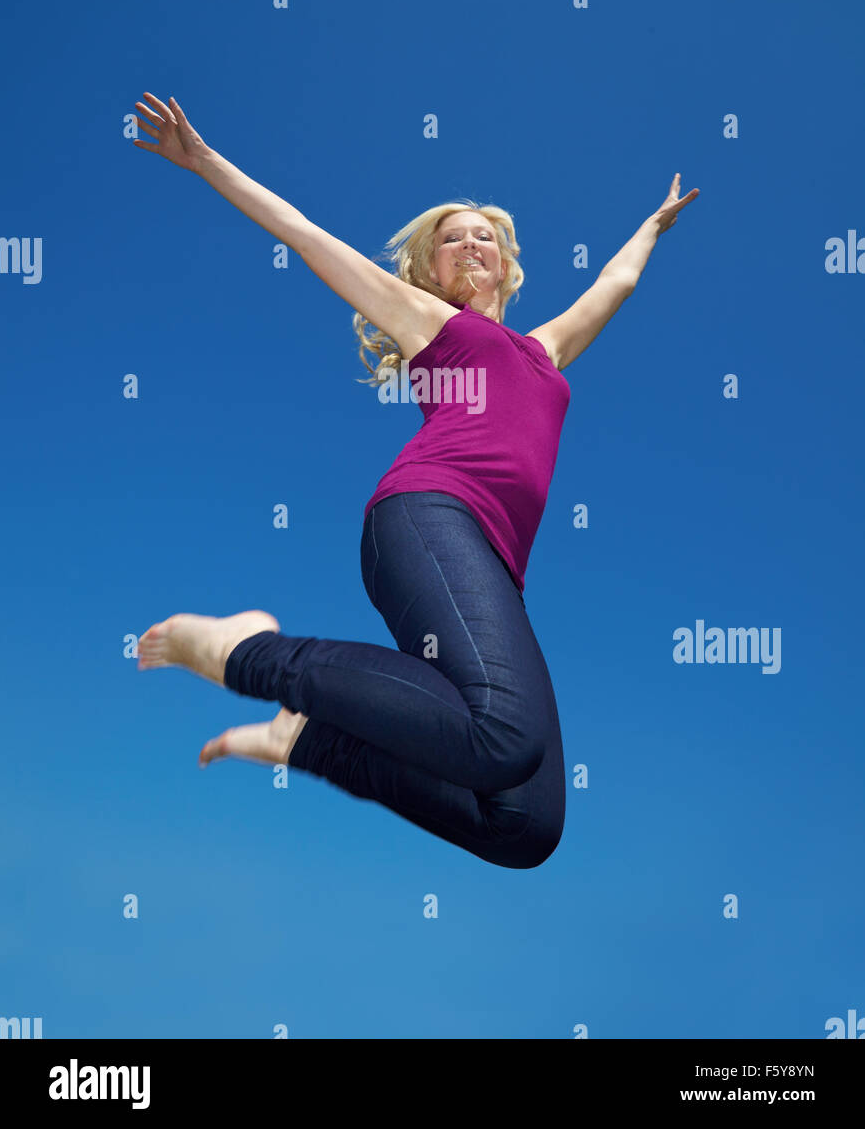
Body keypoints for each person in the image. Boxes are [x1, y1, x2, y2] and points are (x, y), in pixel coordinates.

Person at [133, 92, 698, 868]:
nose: (470, 246)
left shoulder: (543, 350)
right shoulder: (435, 326)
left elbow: (616, 285)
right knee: (502, 731)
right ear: (430, 269)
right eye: (451, 240)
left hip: (494, 565)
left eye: (485, 237)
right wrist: (203, 161)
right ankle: (249, 652)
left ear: (506, 261)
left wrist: (650, 226)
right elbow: (303, 234)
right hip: (427, 516)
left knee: (525, 823)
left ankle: (304, 741)